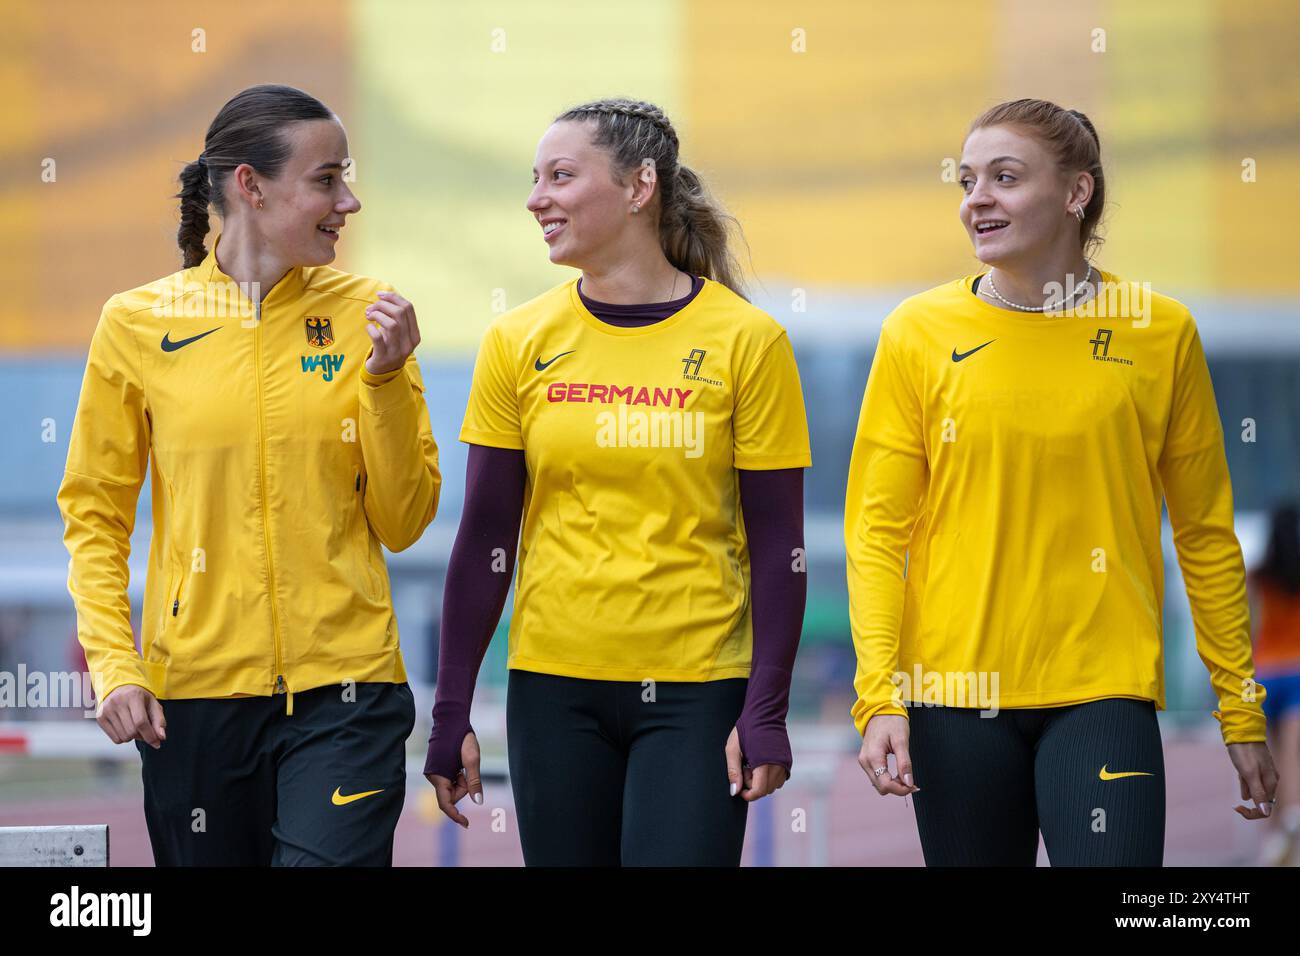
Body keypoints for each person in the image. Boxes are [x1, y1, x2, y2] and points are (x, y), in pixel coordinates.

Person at [844, 97, 1277, 866]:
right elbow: (876, 534)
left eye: (1004, 178)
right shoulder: (915, 333)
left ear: (1077, 192)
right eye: (968, 180)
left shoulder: (1161, 331)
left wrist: (1240, 711)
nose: (977, 198)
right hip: (952, 697)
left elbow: (1205, 533)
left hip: (1103, 691)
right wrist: (877, 697)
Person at [55, 84, 441, 866]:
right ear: (249, 185)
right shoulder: (134, 323)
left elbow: (404, 522)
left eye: (347, 177)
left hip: (348, 692)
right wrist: (115, 666)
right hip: (191, 699)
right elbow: (95, 516)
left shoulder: (373, 316)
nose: (349, 201)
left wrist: (384, 382)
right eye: (326, 180)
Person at [422, 97, 811, 866]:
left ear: (639, 187)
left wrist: (765, 707)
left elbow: (778, 547)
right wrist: (450, 710)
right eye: (535, 179)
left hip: (698, 687)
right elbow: (487, 537)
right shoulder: (517, 341)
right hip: (553, 687)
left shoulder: (748, 341)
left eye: (561, 176)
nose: (537, 198)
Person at [1248, 503, 1300, 864]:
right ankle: (1293, 823)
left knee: (1270, 762)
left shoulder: (1258, 575)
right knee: (1294, 758)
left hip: (1264, 675)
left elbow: (1247, 627)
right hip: (1298, 673)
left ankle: (1273, 833)